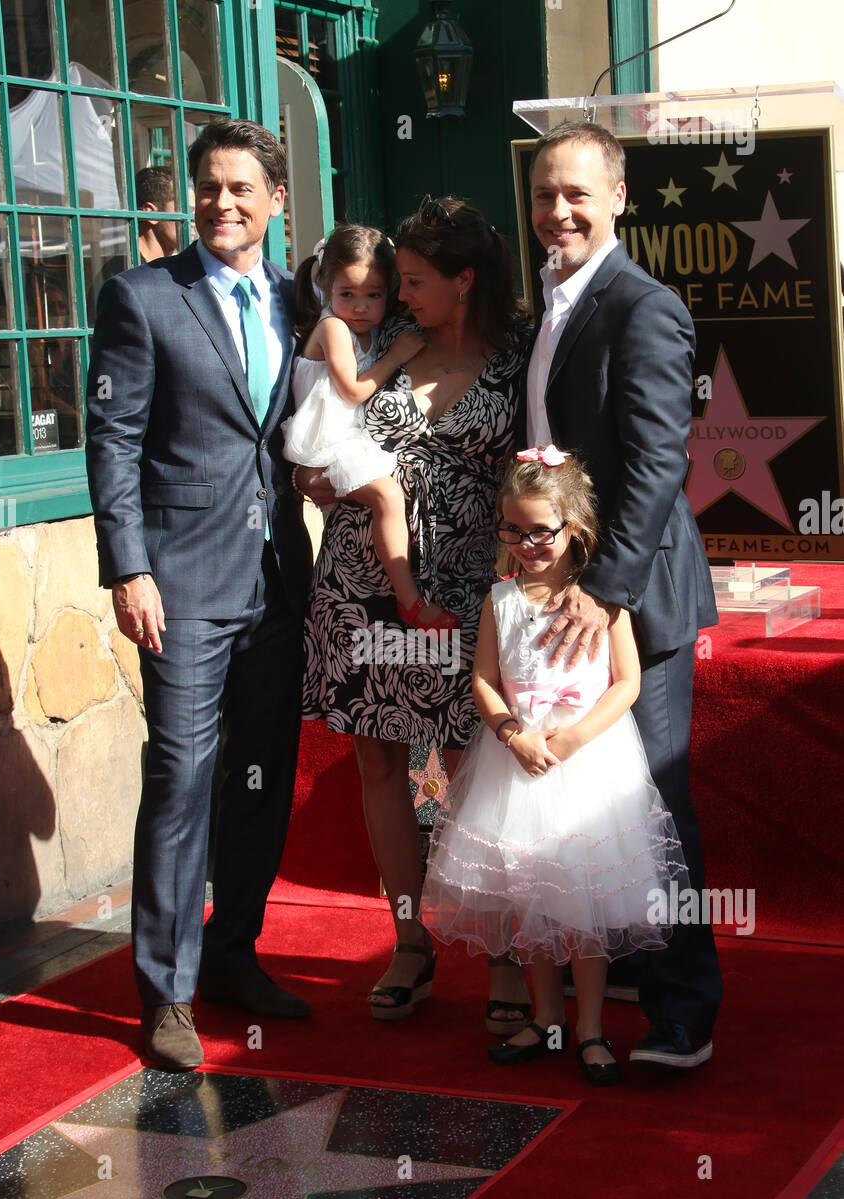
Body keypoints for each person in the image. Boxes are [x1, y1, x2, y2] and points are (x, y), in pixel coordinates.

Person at [86, 119, 313, 1071]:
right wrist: (128, 567)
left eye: (240, 188)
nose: (222, 203)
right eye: (207, 187)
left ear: (276, 200)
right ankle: (167, 992)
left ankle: (232, 955)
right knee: (181, 779)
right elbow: (113, 441)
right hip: (178, 582)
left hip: (276, 581)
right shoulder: (142, 298)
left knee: (262, 775)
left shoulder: (302, 304)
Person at [296, 196, 531, 1027]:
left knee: (478, 774)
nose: (401, 294)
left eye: (419, 281)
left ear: (465, 282)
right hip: (363, 584)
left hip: (466, 592)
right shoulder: (387, 346)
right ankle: (409, 941)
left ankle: (505, 956)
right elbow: (321, 431)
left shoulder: (521, 360)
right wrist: (310, 478)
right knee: (379, 766)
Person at [524, 120, 720, 1069]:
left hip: (629, 595)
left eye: (576, 193)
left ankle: (686, 1012)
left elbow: (656, 466)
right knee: (594, 798)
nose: (557, 210)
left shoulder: (643, 305)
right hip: (562, 601)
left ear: (618, 198)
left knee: (654, 801)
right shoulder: (552, 303)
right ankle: (634, 973)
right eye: (543, 194)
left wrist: (603, 589)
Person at [421, 447, 683, 1083]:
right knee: (532, 902)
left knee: (585, 906)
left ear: (576, 527)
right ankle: (546, 1018)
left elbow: (626, 683)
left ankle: (590, 1029)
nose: (526, 542)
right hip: (518, 763)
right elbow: (484, 679)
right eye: (512, 529)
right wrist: (513, 733)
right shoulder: (501, 599)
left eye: (540, 530)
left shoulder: (599, 600)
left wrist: (571, 740)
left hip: (588, 766)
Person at [283, 224, 457, 632]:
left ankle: (384, 598)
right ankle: (409, 600)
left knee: (377, 507)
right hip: (328, 440)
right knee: (387, 496)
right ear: (327, 289)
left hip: (347, 438)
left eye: (373, 295)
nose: (360, 306)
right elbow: (352, 390)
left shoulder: (367, 328)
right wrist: (396, 355)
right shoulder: (333, 328)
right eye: (348, 294)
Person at [135, 166, 179, 262]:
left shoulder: (186, 266)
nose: (194, 219)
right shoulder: (124, 270)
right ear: (151, 213)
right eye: (185, 209)